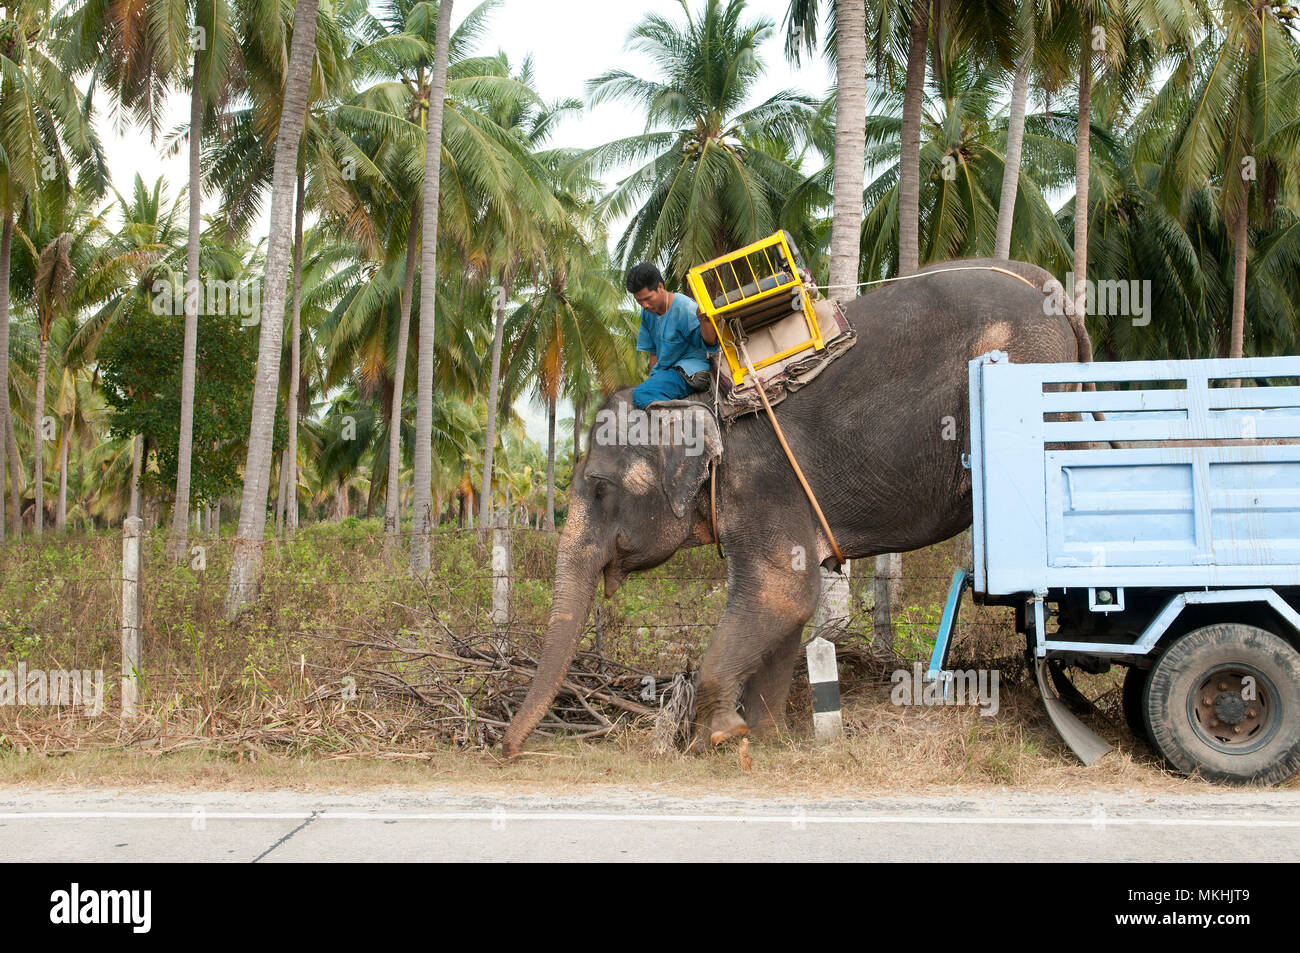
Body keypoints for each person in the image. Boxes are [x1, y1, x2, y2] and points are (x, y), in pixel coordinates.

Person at [626, 262, 719, 409]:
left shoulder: (685, 307)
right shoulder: (647, 312)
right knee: (646, 389)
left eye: (648, 298)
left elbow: (711, 342)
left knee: (641, 394)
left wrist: (704, 319)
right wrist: (654, 380)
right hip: (669, 372)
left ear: (660, 287)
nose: (644, 305)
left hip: (691, 372)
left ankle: (676, 419)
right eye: (639, 301)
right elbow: (653, 352)